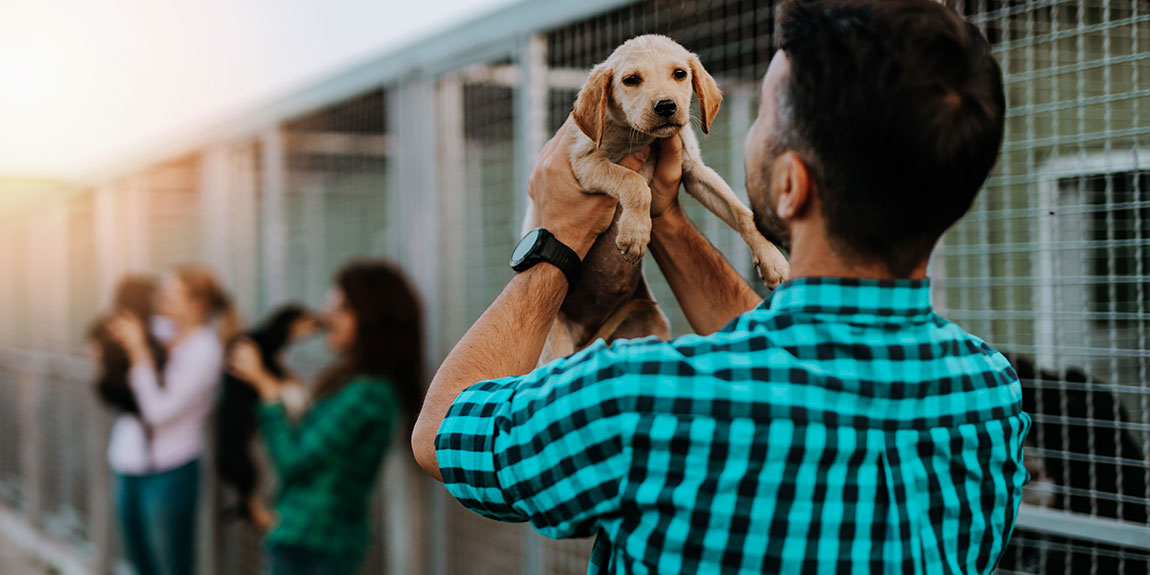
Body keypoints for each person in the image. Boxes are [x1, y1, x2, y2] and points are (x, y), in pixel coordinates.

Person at [412, 1, 1030, 574]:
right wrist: (667, 218)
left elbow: (441, 432)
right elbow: (779, 355)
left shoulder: (639, 398)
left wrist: (555, 240)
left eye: (762, 115)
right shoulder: (990, 395)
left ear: (791, 186)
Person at [228, 260, 424, 575]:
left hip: (315, 547)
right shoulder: (353, 382)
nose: (327, 315)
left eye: (342, 306)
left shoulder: (369, 394)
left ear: (373, 317)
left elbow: (293, 460)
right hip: (308, 540)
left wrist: (265, 388)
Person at [103, 263, 240, 575]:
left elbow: (158, 412)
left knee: (171, 566)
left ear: (197, 305)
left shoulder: (206, 350)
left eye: (171, 292)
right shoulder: (159, 330)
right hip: (128, 462)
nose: (161, 297)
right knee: (140, 563)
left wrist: (138, 351)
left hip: (171, 469)